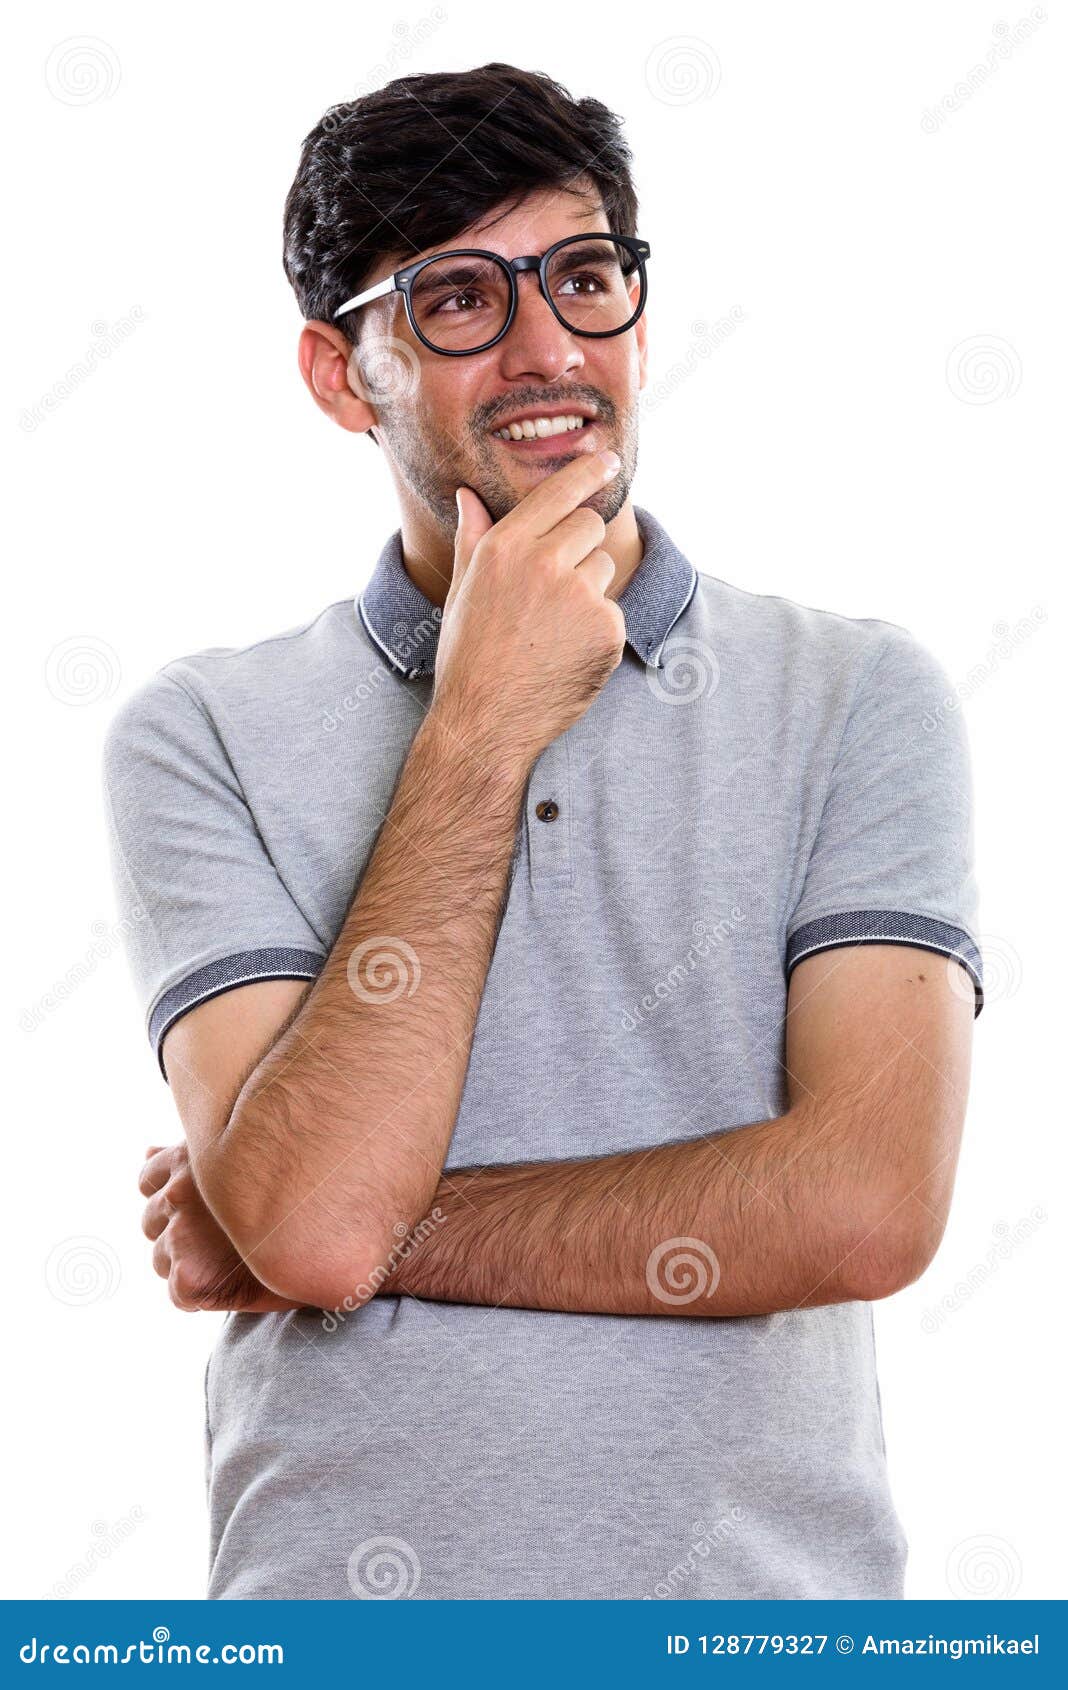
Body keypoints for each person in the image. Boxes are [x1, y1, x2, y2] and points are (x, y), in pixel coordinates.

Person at [103, 63, 983, 1601]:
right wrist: (480, 723)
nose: (548, 350)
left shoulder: (861, 694)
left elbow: (862, 1206)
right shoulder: (199, 733)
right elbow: (311, 1220)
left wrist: (348, 1225)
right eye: (459, 299)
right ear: (339, 372)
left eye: (585, 278)